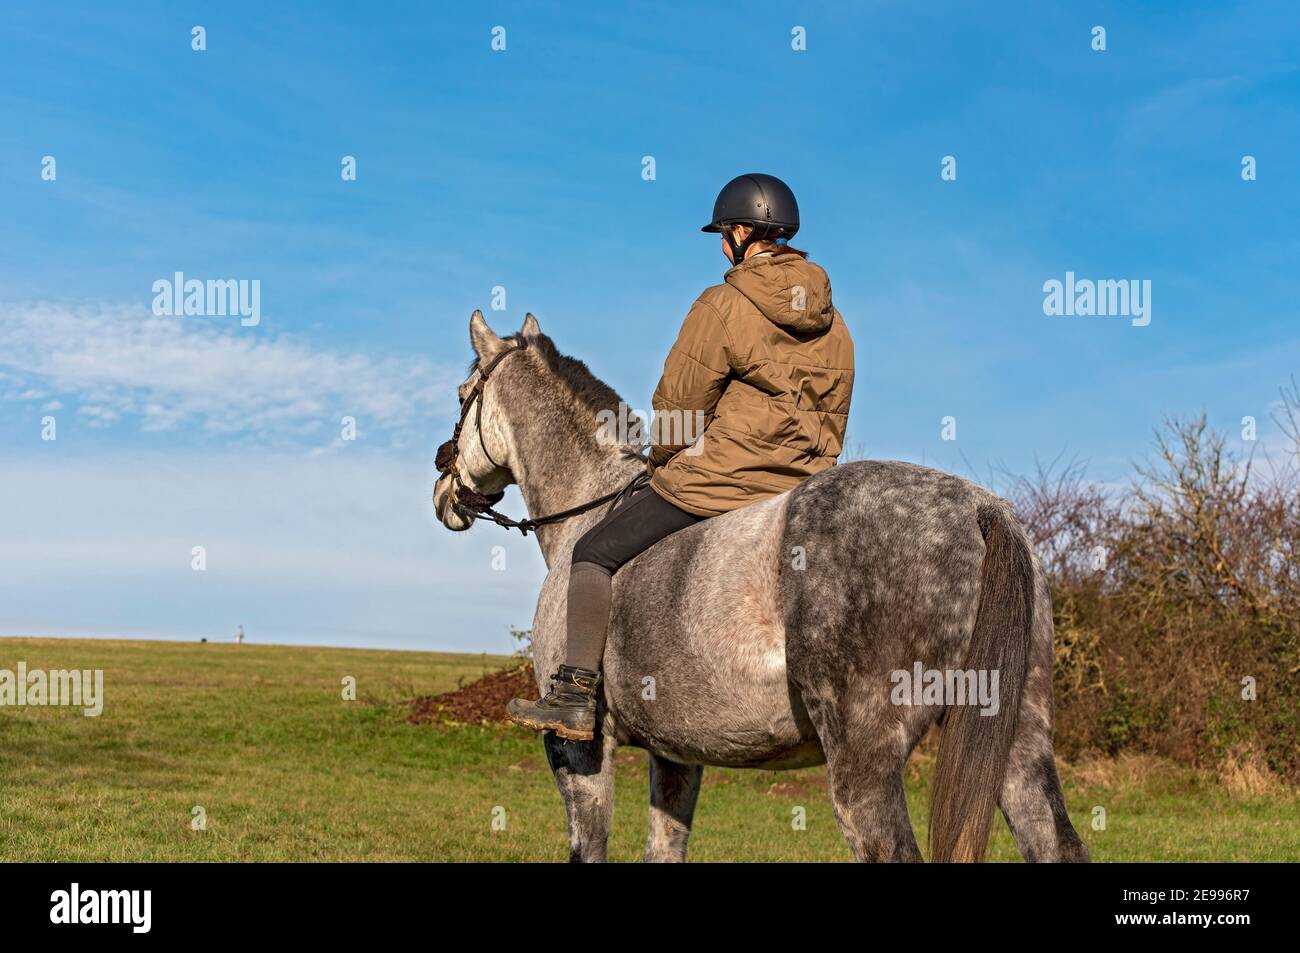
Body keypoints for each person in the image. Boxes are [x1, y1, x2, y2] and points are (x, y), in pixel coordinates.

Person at [506, 173, 855, 741]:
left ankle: (572, 694)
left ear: (743, 232)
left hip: (725, 480)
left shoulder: (723, 304)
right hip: (806, 487)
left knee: (592, 551)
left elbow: (679, 408)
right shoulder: (834, 321)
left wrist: (662, 460)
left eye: (724, 233)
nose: (722, 244)